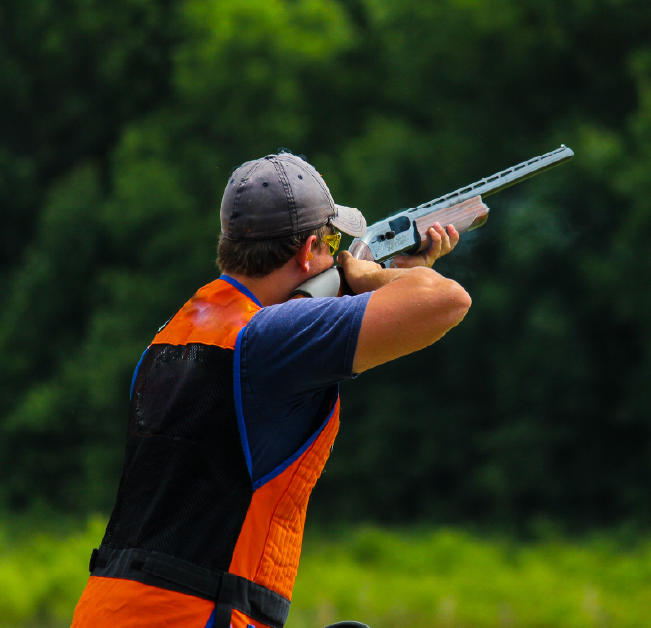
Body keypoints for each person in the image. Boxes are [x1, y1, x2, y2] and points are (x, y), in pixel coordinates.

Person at [71, 151, 470, 628]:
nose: (338, 254)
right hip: (194, 617)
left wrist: (388, 281)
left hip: (107, 609)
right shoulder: (267, 338)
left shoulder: (174, 333)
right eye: (331, 242)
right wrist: (373, 277)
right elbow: (445, 300)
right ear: (307, 252)